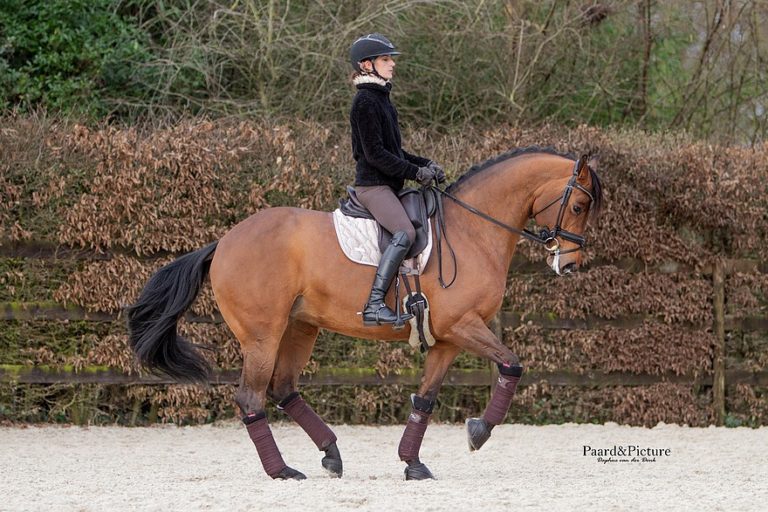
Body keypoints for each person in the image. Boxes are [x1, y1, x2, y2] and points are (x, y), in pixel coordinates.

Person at [348, 33, 446, 326]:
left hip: (389, 185)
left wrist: (425, 163)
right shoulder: (365, 102)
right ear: (367, 65)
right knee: (406, 232)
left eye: (391, 59)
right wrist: (416, 173)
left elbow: (395, 152)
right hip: (373, 187)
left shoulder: (382, 100)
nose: (392, 65)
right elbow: (375, 155)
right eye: (386, 59)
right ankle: (375, 304)